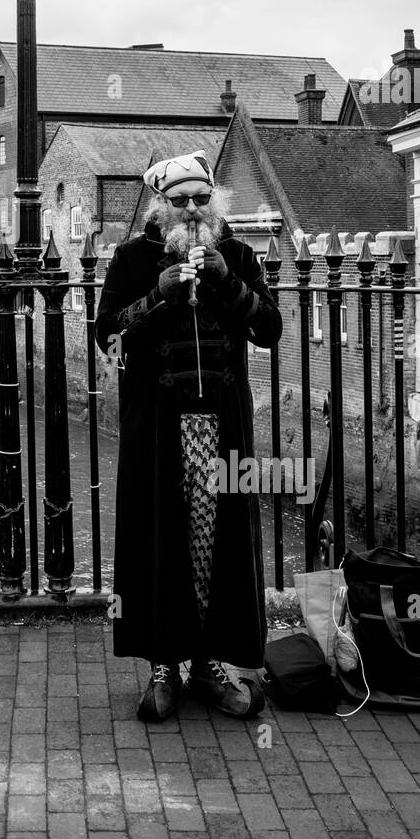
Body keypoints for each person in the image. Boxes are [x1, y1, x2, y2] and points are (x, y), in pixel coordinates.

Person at [94, 151, 283, 722]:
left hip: (221, 424)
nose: (194, 209)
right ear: (160, 207)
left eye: (202, 198)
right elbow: (108, 338)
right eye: (181, 201)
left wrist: (229, 285)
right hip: (158, 425)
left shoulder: (239, 256)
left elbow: (269, 330)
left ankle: (209, 664)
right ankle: (162, 664)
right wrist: (159, 295)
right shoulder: (131, 259)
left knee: (217, 544)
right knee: (162, 541)